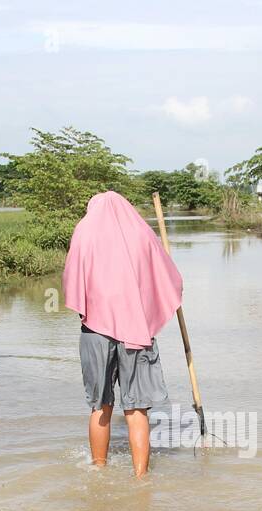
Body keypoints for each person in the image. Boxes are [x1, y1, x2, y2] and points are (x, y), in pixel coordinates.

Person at [63, 191, 182, 477]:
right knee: (137, 409)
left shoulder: (85, 230)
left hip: (94, 331)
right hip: (137, 331)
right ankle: (141, 477)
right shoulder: (142, 232)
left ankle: (98, 471)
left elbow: (71, 279)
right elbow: (169, 279)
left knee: (100, 406)